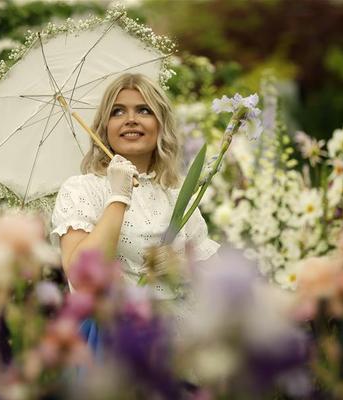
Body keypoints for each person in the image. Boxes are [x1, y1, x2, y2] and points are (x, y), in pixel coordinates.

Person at [50, 73, 219, 300]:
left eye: (144, 110)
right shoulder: (81, 190)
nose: (131, 119)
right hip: (118, 329)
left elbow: (220, 285)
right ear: (105, 126)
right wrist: (118, 197)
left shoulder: (176, 192)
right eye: (117, 111)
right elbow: (81, 277)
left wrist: (182, 268)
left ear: (160, 125)